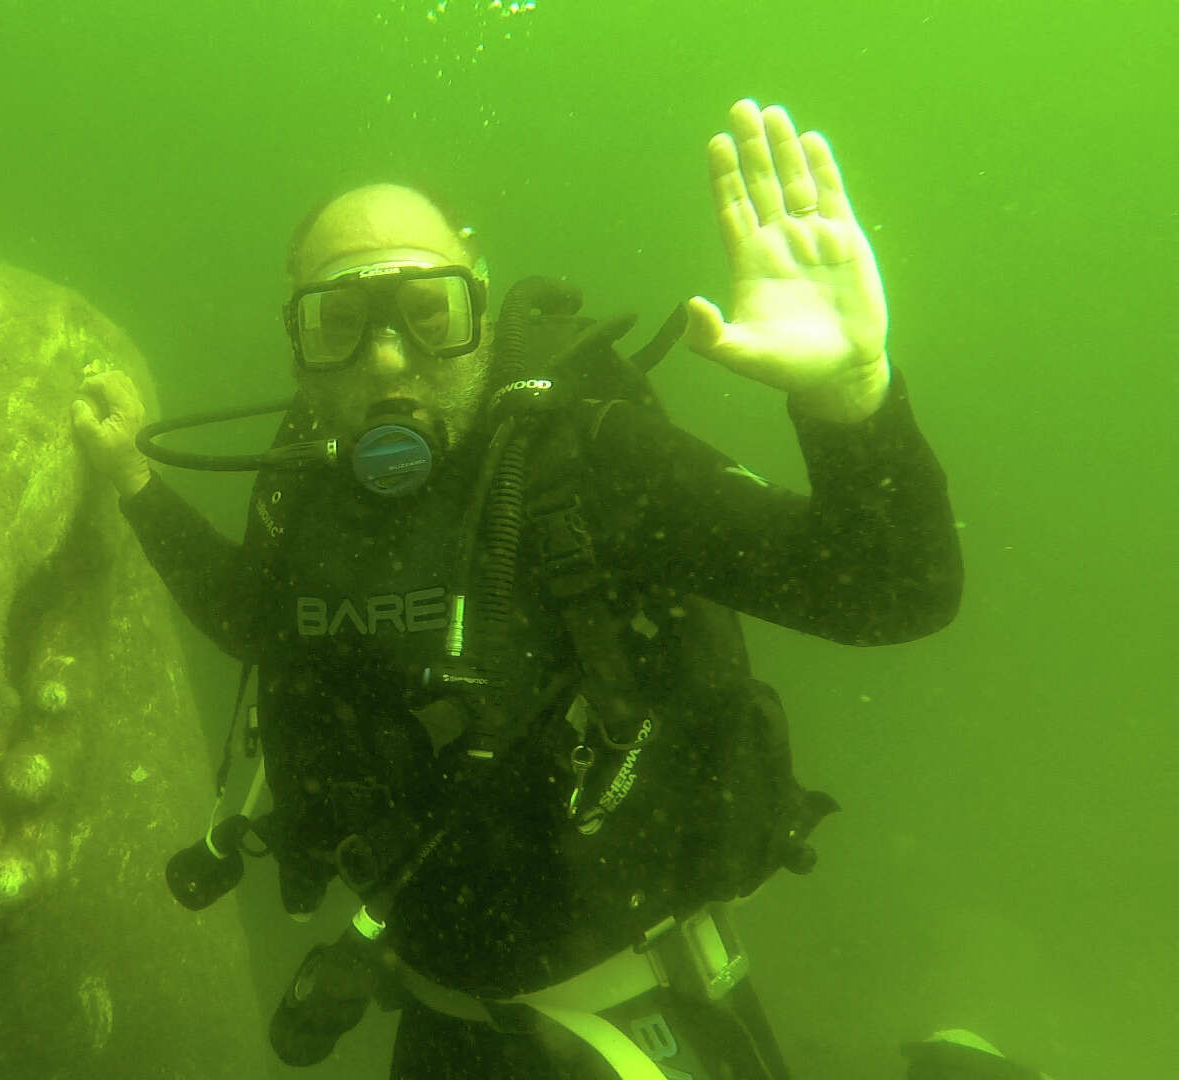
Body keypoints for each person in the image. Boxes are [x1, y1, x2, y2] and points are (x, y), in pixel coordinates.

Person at [72, 100, 1031, 1079]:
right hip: (441, 1020)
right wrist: (135, 486)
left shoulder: (586, 461)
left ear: (478, 301)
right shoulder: (305, 483)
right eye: (343, 323)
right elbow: (256, 620)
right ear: (298, 336)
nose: (390, 359)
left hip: (643, 1031)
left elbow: (890, 590)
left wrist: (850, 394)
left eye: (426, 311)